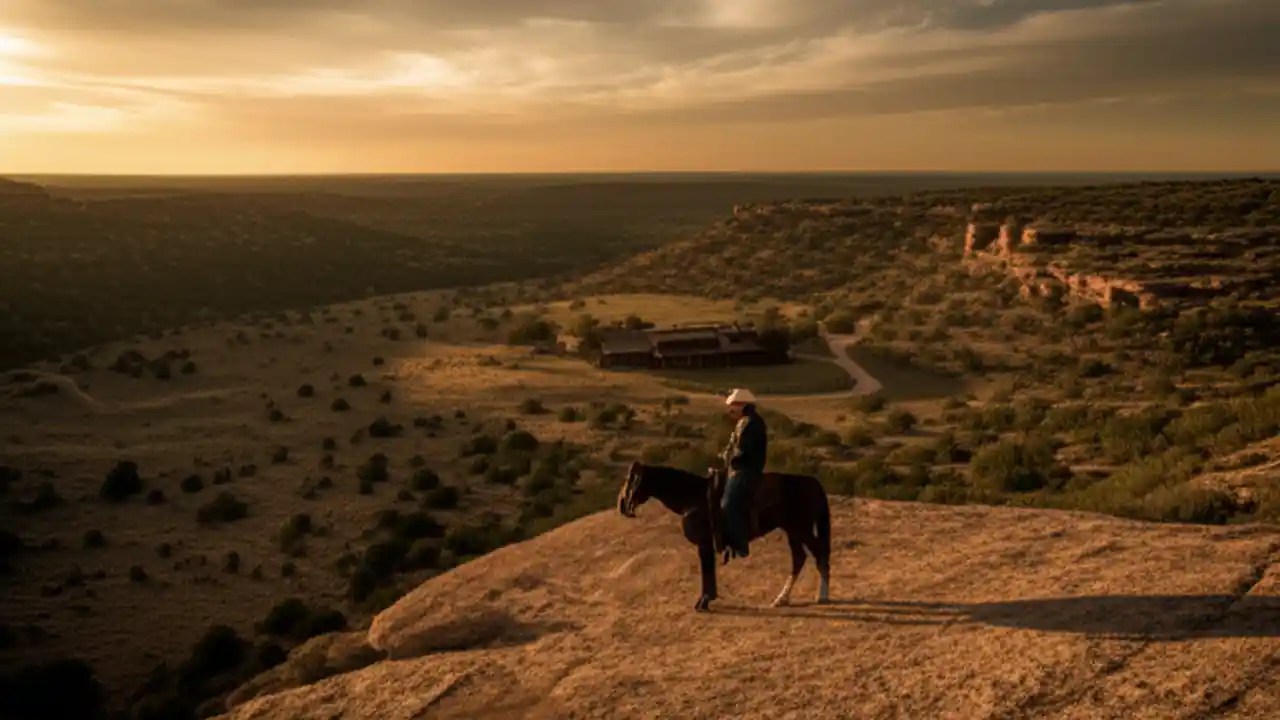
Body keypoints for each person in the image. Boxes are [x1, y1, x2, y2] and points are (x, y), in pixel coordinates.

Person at [720, 387, 767, 563]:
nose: (730, 409)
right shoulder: (746, 421)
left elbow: (743, 451)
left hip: (746, 470)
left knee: (728, 505)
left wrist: (729, 459)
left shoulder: (751, 423)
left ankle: (741, 547)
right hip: (741, 467)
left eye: (733, 405)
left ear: (742, 405)